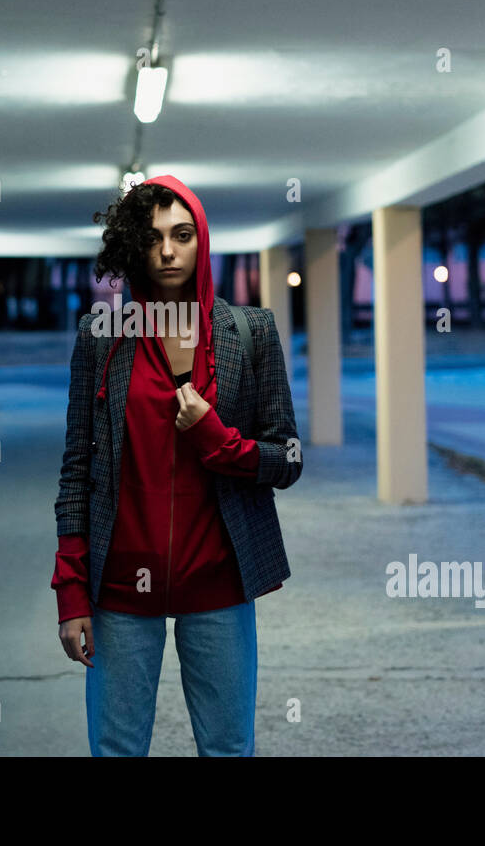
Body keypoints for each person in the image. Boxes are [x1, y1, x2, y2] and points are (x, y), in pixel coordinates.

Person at [51, 174, 303, 756]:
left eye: (182, 234)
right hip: (119, 586)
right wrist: (71, 592)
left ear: (202, 241)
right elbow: (75, 473)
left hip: (218, 578)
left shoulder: (250, 332)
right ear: (133, 246)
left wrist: (217, 440)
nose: (167, 250)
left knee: (227, 748)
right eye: (153, 236)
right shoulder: (101, 337)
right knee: (116, 749)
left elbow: (286, 458)